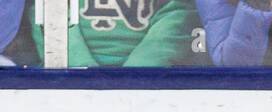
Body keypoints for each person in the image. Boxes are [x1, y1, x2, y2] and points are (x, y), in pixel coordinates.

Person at [29, 0, 202, 66]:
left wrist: (135, 76)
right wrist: (82, 72)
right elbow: (47, 11)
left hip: (150, 85)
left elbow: (177, 15)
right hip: (67, 83)